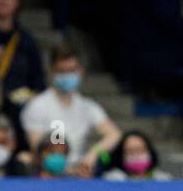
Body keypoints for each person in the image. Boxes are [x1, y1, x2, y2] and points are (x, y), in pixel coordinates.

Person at [20, 47, 121, 178]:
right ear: (51, 73)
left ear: (81, 72)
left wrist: (93, 154)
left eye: (72, 70)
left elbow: (114, 134)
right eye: (62, 71)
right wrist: (66, 169)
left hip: (81, 171)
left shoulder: (88, 106)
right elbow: (38, 149)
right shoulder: (37, 105)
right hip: (49, 173)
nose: (67, 75)